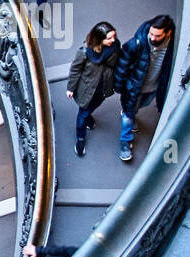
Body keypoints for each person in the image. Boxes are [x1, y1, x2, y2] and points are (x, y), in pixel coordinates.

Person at [113, 14, 175, 163]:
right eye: (151, 33)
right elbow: (122, 66)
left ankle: (131, 113)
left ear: (168, 33)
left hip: (154, 88)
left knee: (141, 105)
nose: (152, 38)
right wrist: (119, 87)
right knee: (128, 115)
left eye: (157, 35)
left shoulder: (172, 45)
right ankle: (125, 142)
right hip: (134, 88)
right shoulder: (136, 44)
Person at [67, 22, 121, 157]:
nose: (113, 40)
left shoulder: (114, 47)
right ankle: (80, 139)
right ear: (99, 39)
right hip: (87, 89)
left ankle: (89, 119)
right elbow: (75, 70)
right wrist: (71, 88)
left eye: (113, 36)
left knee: (93, 107)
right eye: (109, 38)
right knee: (83, 114)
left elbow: (115, 64)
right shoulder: (85, 52)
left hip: (103, 87)